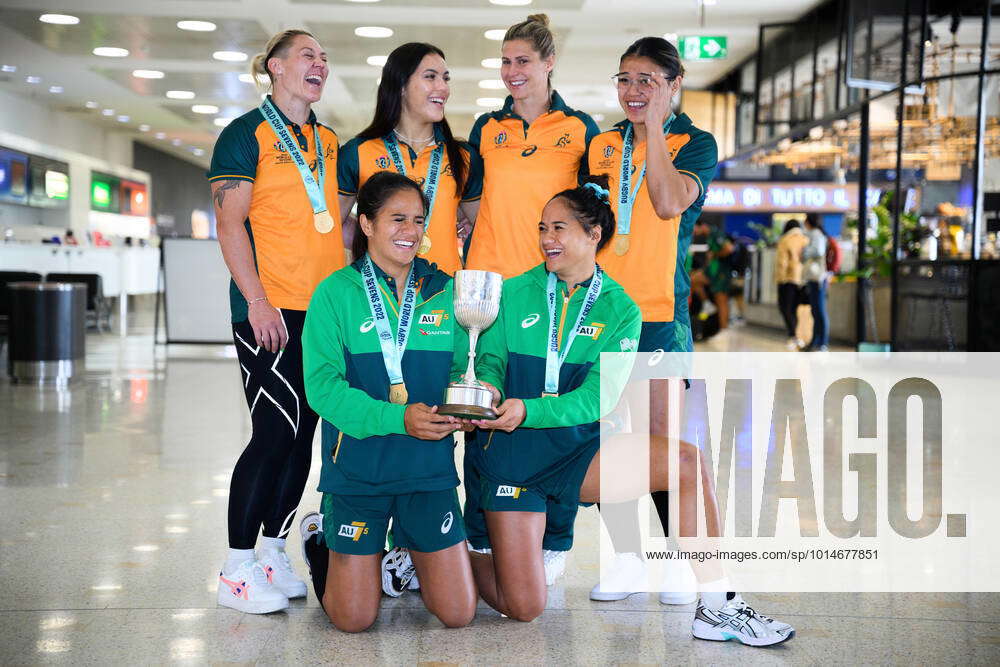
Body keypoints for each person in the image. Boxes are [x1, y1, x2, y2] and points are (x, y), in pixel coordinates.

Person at [465, 182, 793, 647]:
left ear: (594, 233)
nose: (546, 238)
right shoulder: (513, 292)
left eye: (558, 227)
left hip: (577, 455)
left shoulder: (621, 309)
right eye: (542, 228)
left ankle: (718, 604)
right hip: (512, 457)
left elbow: (599, 397)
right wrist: (492, 386)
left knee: (686, 462)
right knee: (525, 607)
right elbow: (493, 360)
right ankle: (468, 549)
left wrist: (529, 407)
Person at [298, 171, 477, 632]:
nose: (410, 231)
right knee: (355, 619)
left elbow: (465, 367)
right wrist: (398, 418)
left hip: (428, 468)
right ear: (367, 225)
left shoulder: (446, 289)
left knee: (458, 614)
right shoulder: (335, 294)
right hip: (360, 469)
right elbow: (323, 389)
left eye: (418, 220)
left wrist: (470, 402)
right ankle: (323, 545)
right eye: (397, 219)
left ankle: (402, 551)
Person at [462, 13, 601, 586]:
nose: (512, 72)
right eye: (506, 62)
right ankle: (478, 535)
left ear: (548, 64)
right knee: (480, 411)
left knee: (553, 413)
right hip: (492, 293)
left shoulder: (579, 127)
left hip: (552, 291)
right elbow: (470, 203)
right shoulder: (485, 128)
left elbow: (591, 209)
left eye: (523, 61)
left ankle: (557, 537)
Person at [208, 29, 343, 614]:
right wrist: (257, 300)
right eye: (307, 55)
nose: (320, 63)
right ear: (275, 67)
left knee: (304, 439)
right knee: (273, 434)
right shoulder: (245, 135)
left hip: (321, 314)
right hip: (270, 309)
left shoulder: (328, 140)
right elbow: (230, 224)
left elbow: (337, 225)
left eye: (323, 57)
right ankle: (236, 568)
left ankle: (270, 550)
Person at [586, 36, 718, 604]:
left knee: (662, 443)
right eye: (625, 80)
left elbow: (666, 202)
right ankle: (626, 560)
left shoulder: (697, 143)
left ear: (673, 83)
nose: (634, 92)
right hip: (601, 312)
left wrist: (656, 129)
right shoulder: (600, 145)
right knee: (613, 440)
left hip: (660, 315)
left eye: (647, 81)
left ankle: (682, 565)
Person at [338, 42, 482, 275]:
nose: (442, 87)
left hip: (443, 295)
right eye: (430, 77)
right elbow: (335, 224)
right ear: (401, 85)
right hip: (379, 294)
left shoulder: (463, 157)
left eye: (445, 78)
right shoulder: (358, 152)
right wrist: (375, 234)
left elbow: (482, 229)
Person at [775, 220, 809, 350]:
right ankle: (797, 336)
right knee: (794, 308)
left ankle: (793, 336)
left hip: (787, 279)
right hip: (801, 279)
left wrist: (780, 278)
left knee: (785, 308)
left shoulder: (785, 240)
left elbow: (782, 262)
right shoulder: (804, 239)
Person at [801, 213, 829, 351]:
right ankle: (816, 341)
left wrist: (804, 252)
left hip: (818, 278)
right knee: (815, 311)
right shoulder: (815, 234)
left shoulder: (816, 234)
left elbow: (818, 251)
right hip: (813, 278)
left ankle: (822, 342)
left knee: (819, 311)